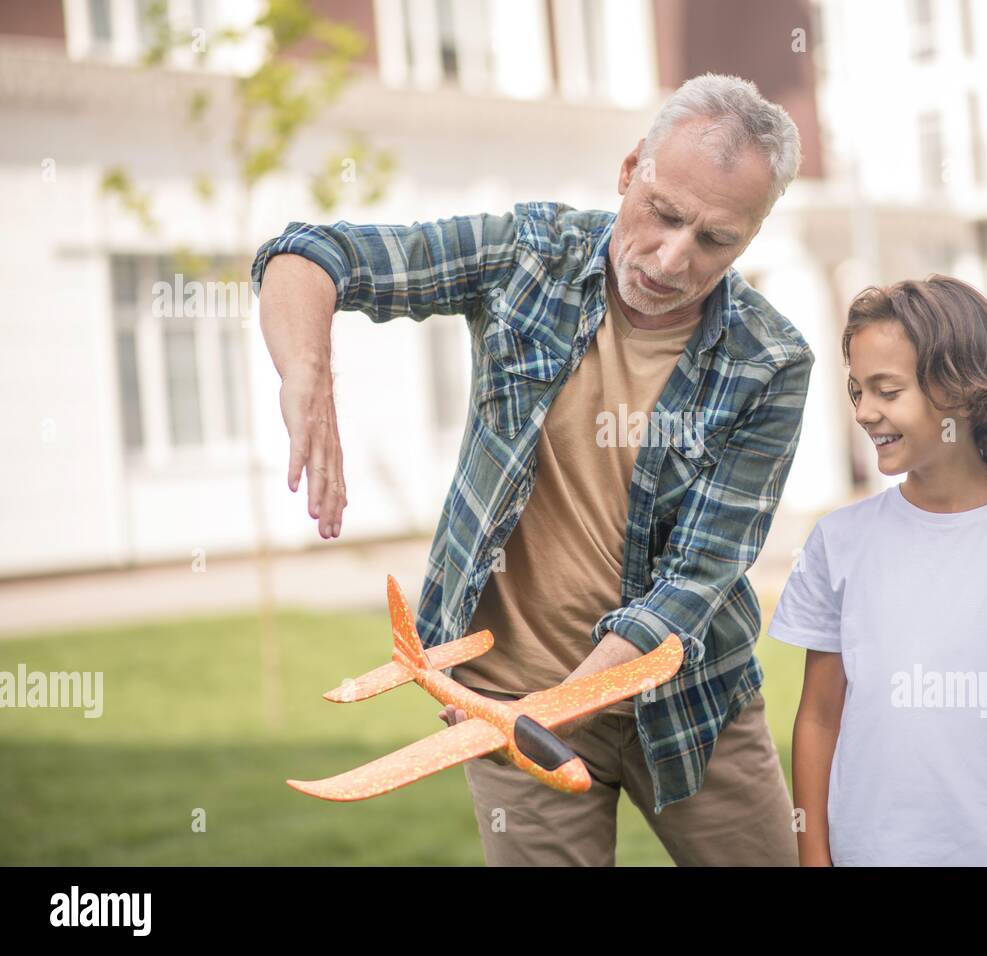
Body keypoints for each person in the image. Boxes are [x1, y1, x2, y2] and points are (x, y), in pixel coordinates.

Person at [251, 74, 810, 865]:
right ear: (629, 173)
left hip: (692, 707)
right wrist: (307, 371)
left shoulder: (771, 361)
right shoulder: (528, 257)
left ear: (750, 237)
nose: (672, 257)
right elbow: (312, 253)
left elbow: (698, 577)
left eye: (715, 240)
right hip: (510, 697)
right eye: (663, 213)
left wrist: (563, 707)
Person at [768, 275, 987, 866]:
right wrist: (815, 857)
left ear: (960, 387)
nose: (863, 411)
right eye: (857, 389)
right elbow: (818, 717)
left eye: (887, 390)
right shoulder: (837, 542)